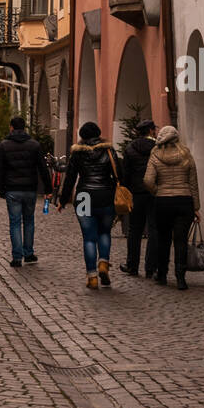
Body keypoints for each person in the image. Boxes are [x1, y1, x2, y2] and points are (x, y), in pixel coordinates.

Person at [57, 121, 121, 289]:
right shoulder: (108, 150)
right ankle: (104, 263)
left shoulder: (77, 153)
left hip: (84, 195)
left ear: (82, 136)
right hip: (106, 194)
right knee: (104, 232)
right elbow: (119, 173)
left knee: (89, 237)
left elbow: (70, 178)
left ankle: (92, 276)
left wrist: (62, 200)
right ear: (99, 133)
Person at [143, 125, 200, 291]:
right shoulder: (186, 155)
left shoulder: (155, 156)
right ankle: (181, 277)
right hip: (184, 201)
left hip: (163, 202)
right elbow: (193, 183)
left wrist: (158, 190)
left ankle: (162, 274)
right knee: (181, 240)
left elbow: (147, 181)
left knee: (163, 239)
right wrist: (196, 206)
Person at [0, 115, 53, 267]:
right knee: (29, 221)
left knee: (14, 223)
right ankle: (28, 253)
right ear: (24, 128)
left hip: (12, 189)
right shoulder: (34, 145)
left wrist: (1, 190)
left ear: (11, 127)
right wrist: (48, 188)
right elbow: (43, 168)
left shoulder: (4, 145)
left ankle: (16, 257)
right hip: (29, 189)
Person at [120, 119, 159, 278]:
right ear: (151, 131)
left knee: (134, 230)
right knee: (154, 229)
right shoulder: (158, 148)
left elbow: (125, 174)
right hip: (154, 192)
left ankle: (132, 265)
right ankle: (151, 267)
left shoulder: (130, 148)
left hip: (136, 193)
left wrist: (126, 190)